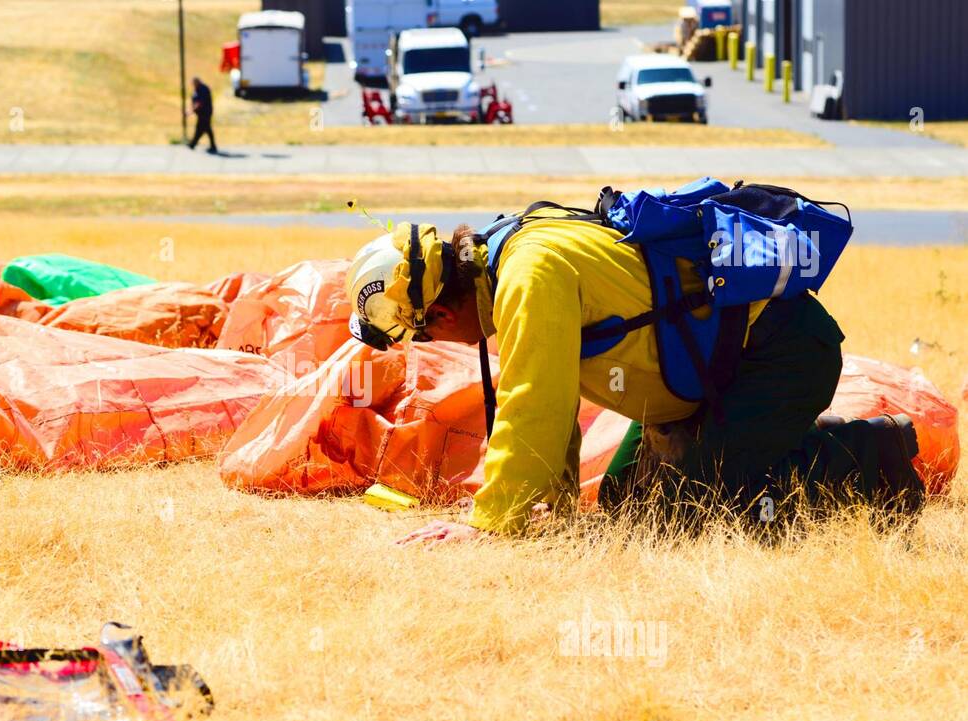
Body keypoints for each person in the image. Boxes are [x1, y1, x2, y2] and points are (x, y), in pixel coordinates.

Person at [343, 206, 925, 546]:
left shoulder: (528, 278)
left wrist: (492, 526)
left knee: (686, 515)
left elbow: (533, 405)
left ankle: (873, 454)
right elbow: (553, 392)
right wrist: (554, 506)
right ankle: (773, 435)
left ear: (440, 311)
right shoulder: (512, 254)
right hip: (714, 378)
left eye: (421, 334)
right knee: (630, 509)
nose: (432, 344)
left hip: (780, 356)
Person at [188, 76, 218, 154]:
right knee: (206, 129)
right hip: (202, 113)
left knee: (201, 128)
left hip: (205, 113)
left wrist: (191, 111)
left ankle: (193, 143)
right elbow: (195, 101)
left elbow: (200, 102)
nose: (193, 85)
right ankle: (195, 143)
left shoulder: (203, 89)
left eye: (193, 83)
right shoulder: (198, 89)